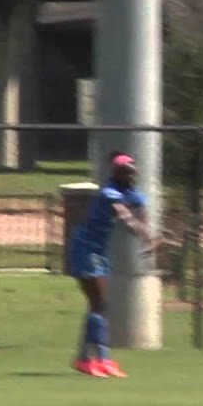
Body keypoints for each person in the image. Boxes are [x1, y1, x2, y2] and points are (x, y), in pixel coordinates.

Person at [67, 152, 158, 378]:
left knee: (97, 306)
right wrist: (146, 236)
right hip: (85, 249)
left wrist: (151, 235)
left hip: (97, 252)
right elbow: (126, 217)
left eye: (132, 171)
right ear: (116, 174)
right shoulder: (109, 192)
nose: (131, 175)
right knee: (99, 304)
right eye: (126, 172)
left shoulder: (130, 191)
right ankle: (101, 360)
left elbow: (141, 212)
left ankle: (86, 360)